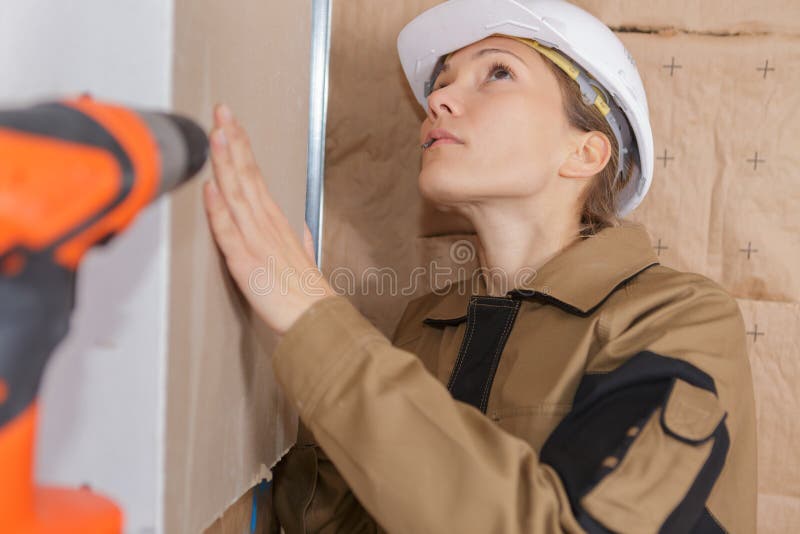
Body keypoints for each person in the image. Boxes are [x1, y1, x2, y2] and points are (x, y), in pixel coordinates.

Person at [202, 1, 757, 532]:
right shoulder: (428, 322)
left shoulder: (677, 319)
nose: (439, 100)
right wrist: (281, 345)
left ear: (585, 153)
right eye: (442, 82)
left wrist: (313, 321)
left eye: (497, 73)